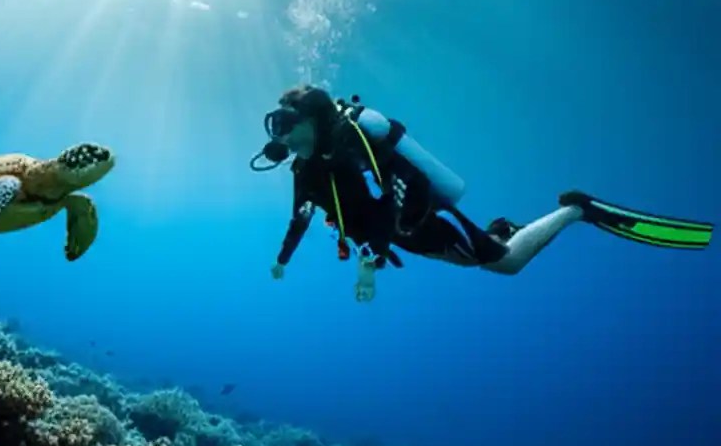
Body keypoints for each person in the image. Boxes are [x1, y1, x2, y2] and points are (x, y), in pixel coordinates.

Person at [249, 85, 714, 302]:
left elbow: (399, 192)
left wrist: (371, 263)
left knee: (505, 265)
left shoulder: (355, 148)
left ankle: (577, 209)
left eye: (286, 123)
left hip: (430, 226)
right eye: (275, 124)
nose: (279, 133)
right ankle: (501, 229)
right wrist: (283, 259)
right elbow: (301, 215)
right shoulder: (306, 168)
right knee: (482, 256)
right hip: (409, 240)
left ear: (313, 121)